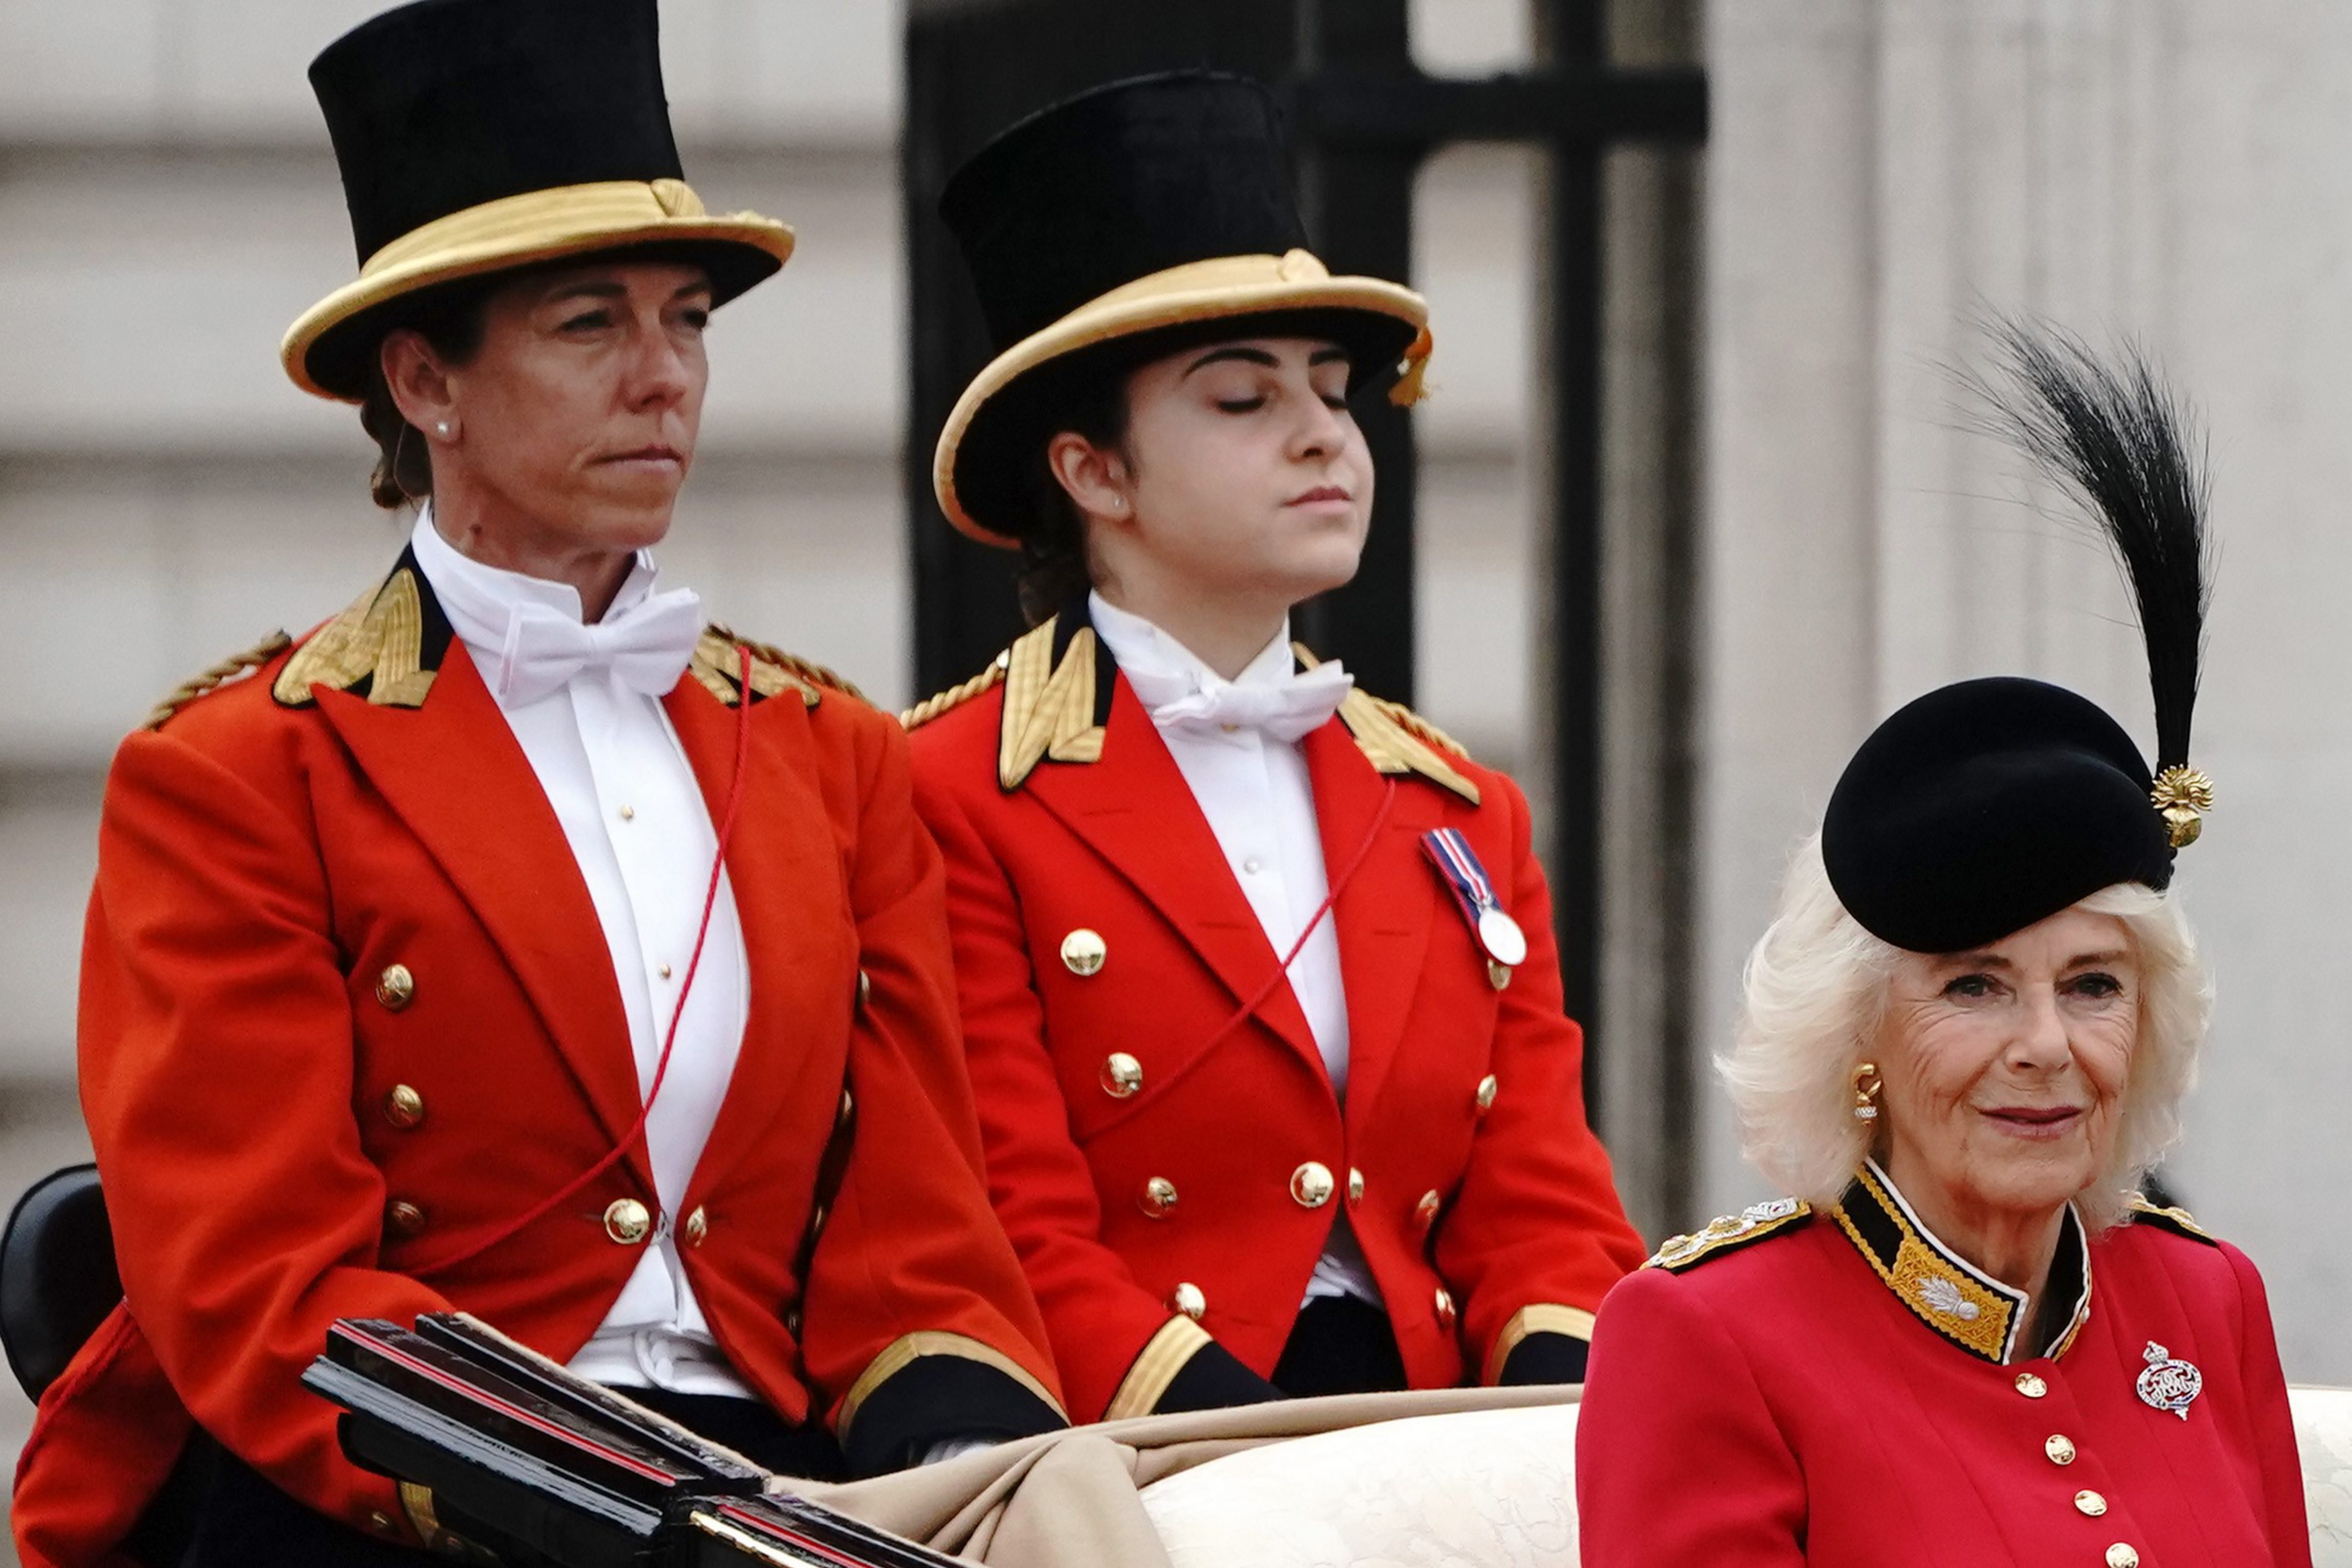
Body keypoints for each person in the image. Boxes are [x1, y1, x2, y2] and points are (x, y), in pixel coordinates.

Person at [11, 3, 1062, 1564]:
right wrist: (638, 1512)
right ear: (426, 378)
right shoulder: (238, 771)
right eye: (591, 324)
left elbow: (917, 1228)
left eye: (688, 318)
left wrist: (970, 1475)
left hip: (790, 1490)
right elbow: (261, 1286)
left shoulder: (828, 750)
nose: (664, 378)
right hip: (396, 1497)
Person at [900, 71, 1645, 1427]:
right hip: (1145, 1448)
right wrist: (1262, 1471)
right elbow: (1005, 1218)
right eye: (1240, 400)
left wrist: (1554, 1432)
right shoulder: (945, 795)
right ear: (1093, 472)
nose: (1324, 435)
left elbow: (1541, 1203)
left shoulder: (1463, 808)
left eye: (1332, 390)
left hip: (1439, 1448)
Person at [1573, 329, 2309, 1567]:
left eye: (2092, 987)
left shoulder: (2206, 1299)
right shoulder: (1707, 1334)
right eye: (1972, 986)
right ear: (1856, 1036)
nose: (2044, 1047)